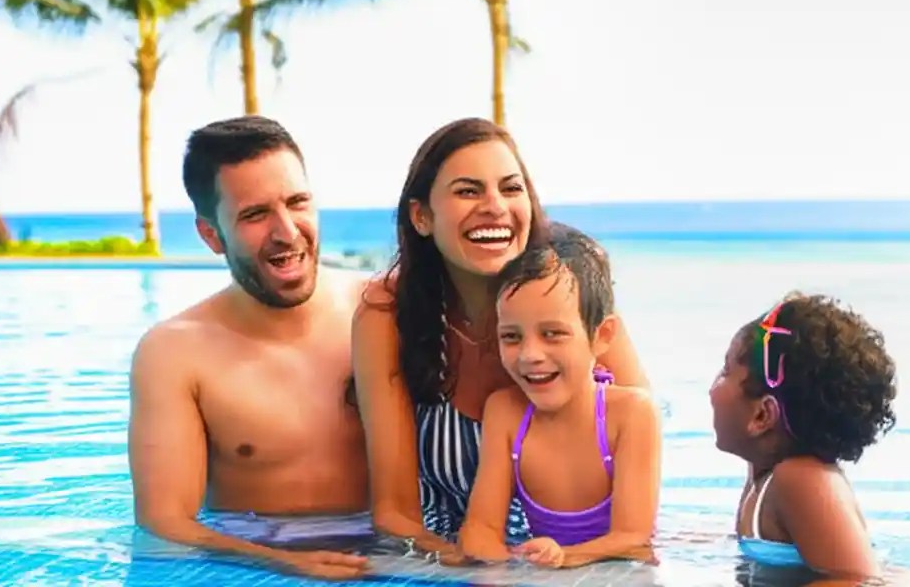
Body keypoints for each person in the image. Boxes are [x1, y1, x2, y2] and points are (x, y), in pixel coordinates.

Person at [351, 117, 651, 557]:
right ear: (422, 216)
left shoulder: (568, 293)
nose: (495, 206)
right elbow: (396, 513)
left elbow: (639, 454)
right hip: (448, 556)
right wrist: (477, 571)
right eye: (468, 191)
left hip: (575, 561)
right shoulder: (388, 314)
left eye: (511, 189)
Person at [128, 116, 371, 581]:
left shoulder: (378, 309)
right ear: (211, 235)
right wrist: (285, 565)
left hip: (391, 559)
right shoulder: (174, 354)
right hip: (259, 566)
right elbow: (165, 522)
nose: (287, 232)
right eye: (255, 215)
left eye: (298, 202)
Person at [458, 226, 661, 569]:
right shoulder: (506, 412)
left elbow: (633, 538)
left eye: (553, 333)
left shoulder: (631, 415)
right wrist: (507, 569)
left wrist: (566, 557)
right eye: (511, 336)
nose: (530, 355)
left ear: (601, 336)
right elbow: (481, 528)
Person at [708, 293, 898, 579]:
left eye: (725, 371)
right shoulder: (762, 476)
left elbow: (859, 580)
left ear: (762, 416)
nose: (711, 389)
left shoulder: (801, 478)